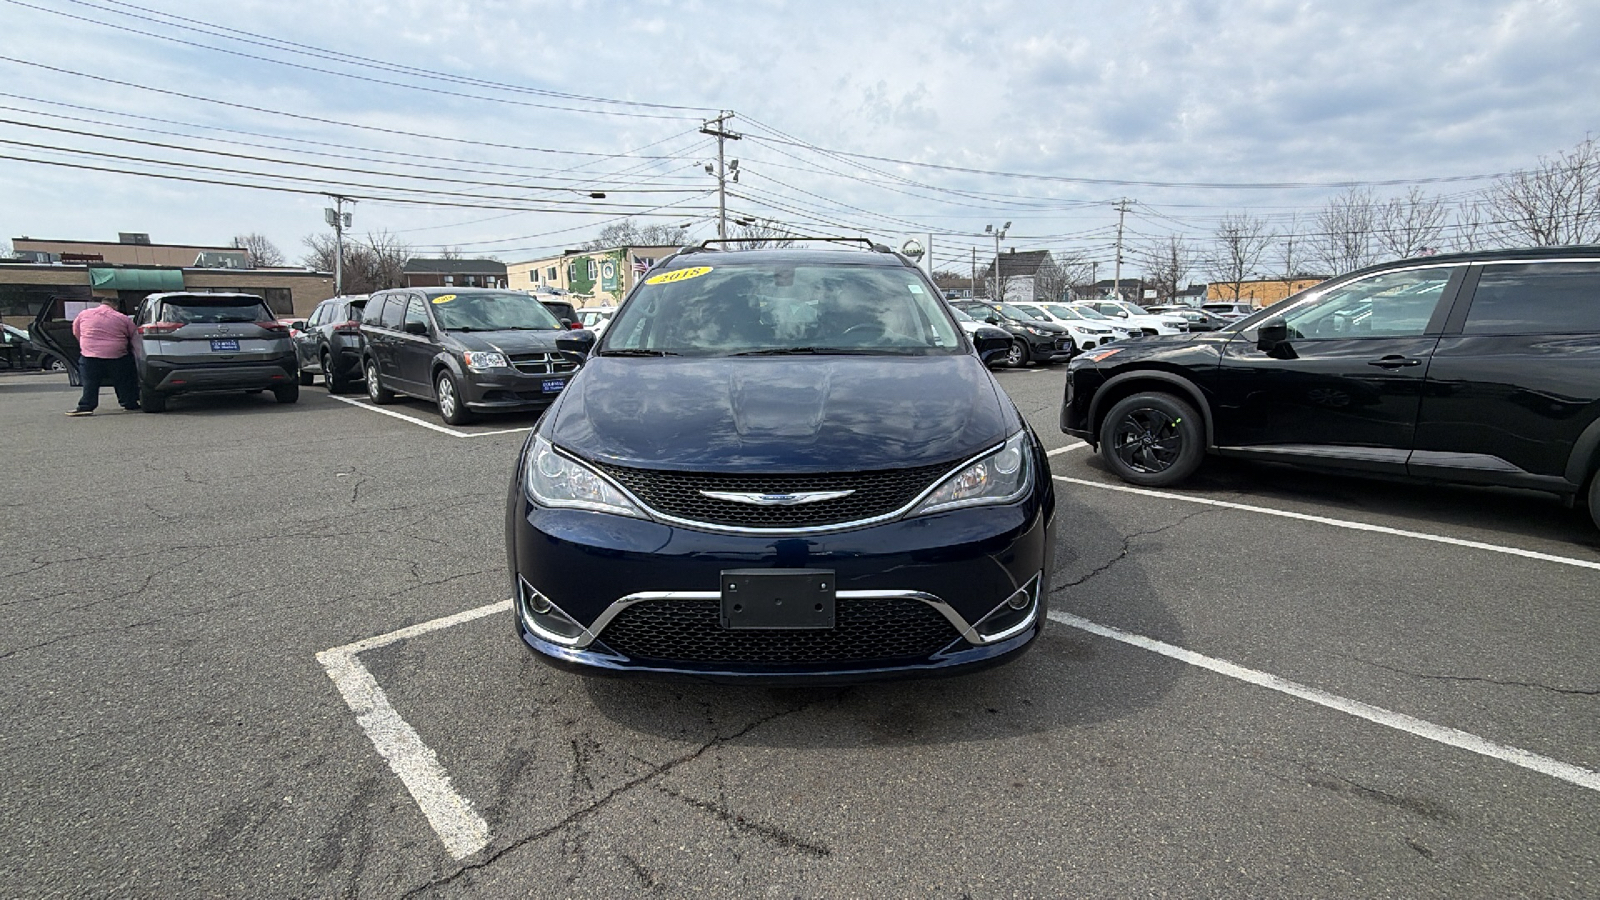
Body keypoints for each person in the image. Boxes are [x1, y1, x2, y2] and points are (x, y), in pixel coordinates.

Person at [67, 296, 140, 416]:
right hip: (116, 354)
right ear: (115, 306)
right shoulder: (122, 318)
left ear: (101, 304)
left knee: (90, 382)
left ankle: (86, 406)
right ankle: (129, 403)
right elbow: (133, 335)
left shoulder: (84, 314)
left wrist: (85, 343)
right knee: (122, 380)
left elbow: (76, 331)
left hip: (90, 354)